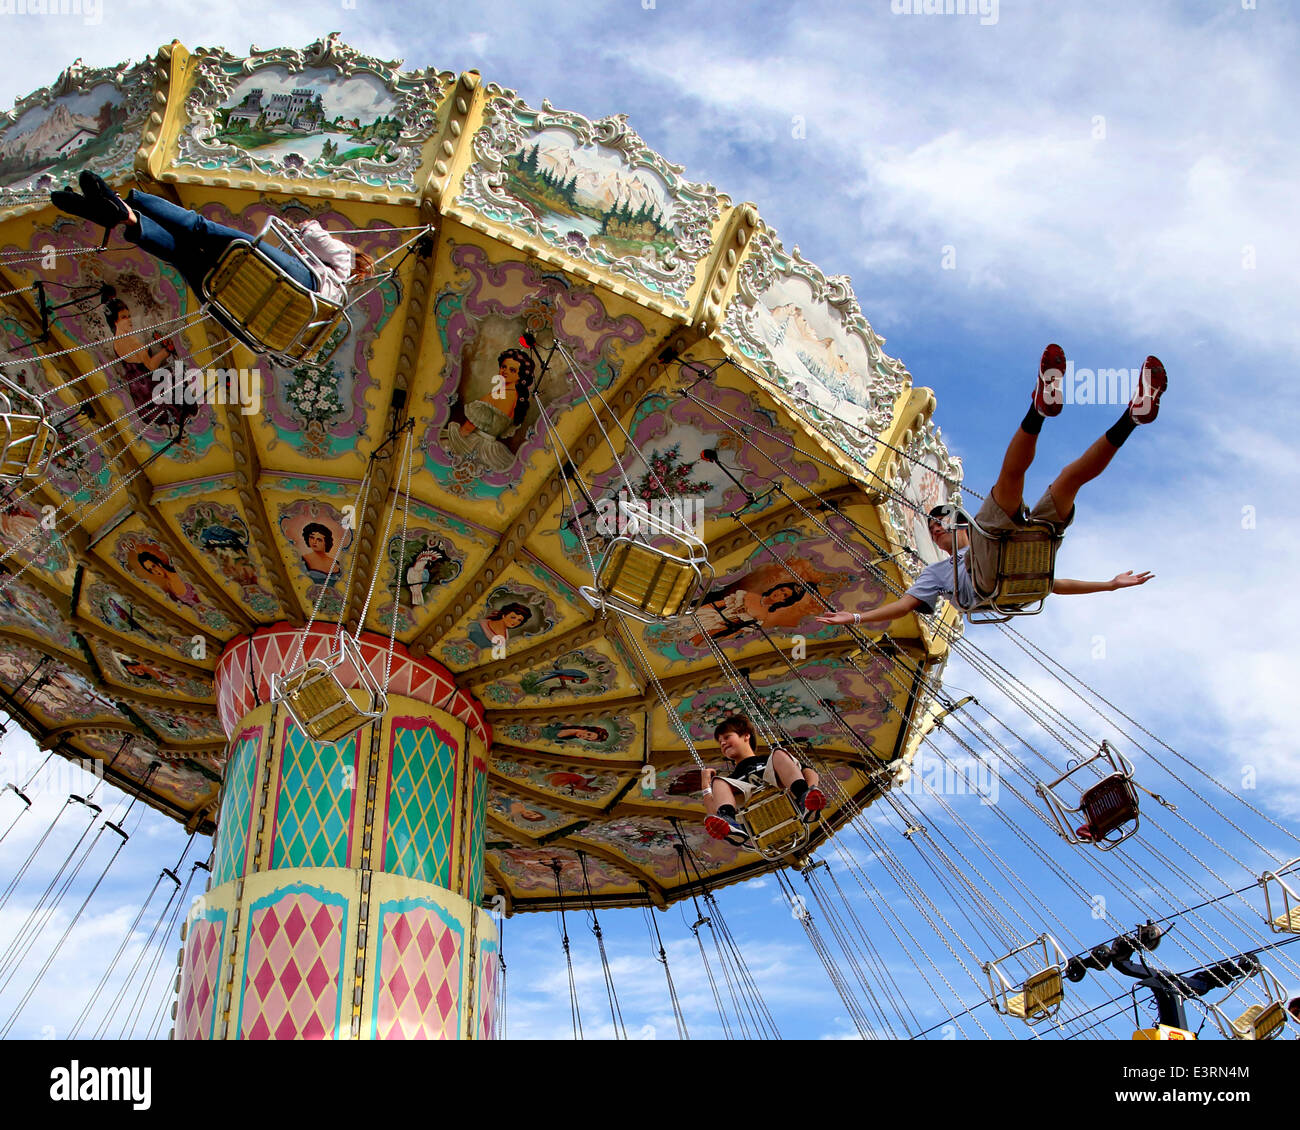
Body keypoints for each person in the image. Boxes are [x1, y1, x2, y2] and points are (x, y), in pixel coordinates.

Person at [817, 344, 1163, 630]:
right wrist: (858, 616)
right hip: (988, 578)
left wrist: (1109, 584)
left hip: (1021, 560)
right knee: (1009, 484)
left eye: (941, 522)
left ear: (963, 525)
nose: (936, 527)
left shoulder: (979, 536)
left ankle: (1132, 416)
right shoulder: (938, 572)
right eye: (933, 527)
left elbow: (1053, 584)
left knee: (1067, 480)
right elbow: (904, 605)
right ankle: (1038, 410)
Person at [50, 170, 373, 304]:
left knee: (198, 227)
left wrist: (309, 226)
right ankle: (128, 217)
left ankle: (120, 201)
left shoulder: (342, 264)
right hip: (241, 297)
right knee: (181, 254)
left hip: (293, 277)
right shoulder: (334, 302)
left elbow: (316, 238)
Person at [702, 714, 824, 843]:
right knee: (718, 782)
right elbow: (712, 811)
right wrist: (705, 785)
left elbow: (809, 772)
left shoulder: (769, 759)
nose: (723, 743)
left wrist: (811, 790)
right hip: (747, 796)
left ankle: (803, 798)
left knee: (779, 753)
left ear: (746, 735)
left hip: (777, 785)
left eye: (727, 737)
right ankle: (730, 822)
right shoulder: (730, 779)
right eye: (720, 741)